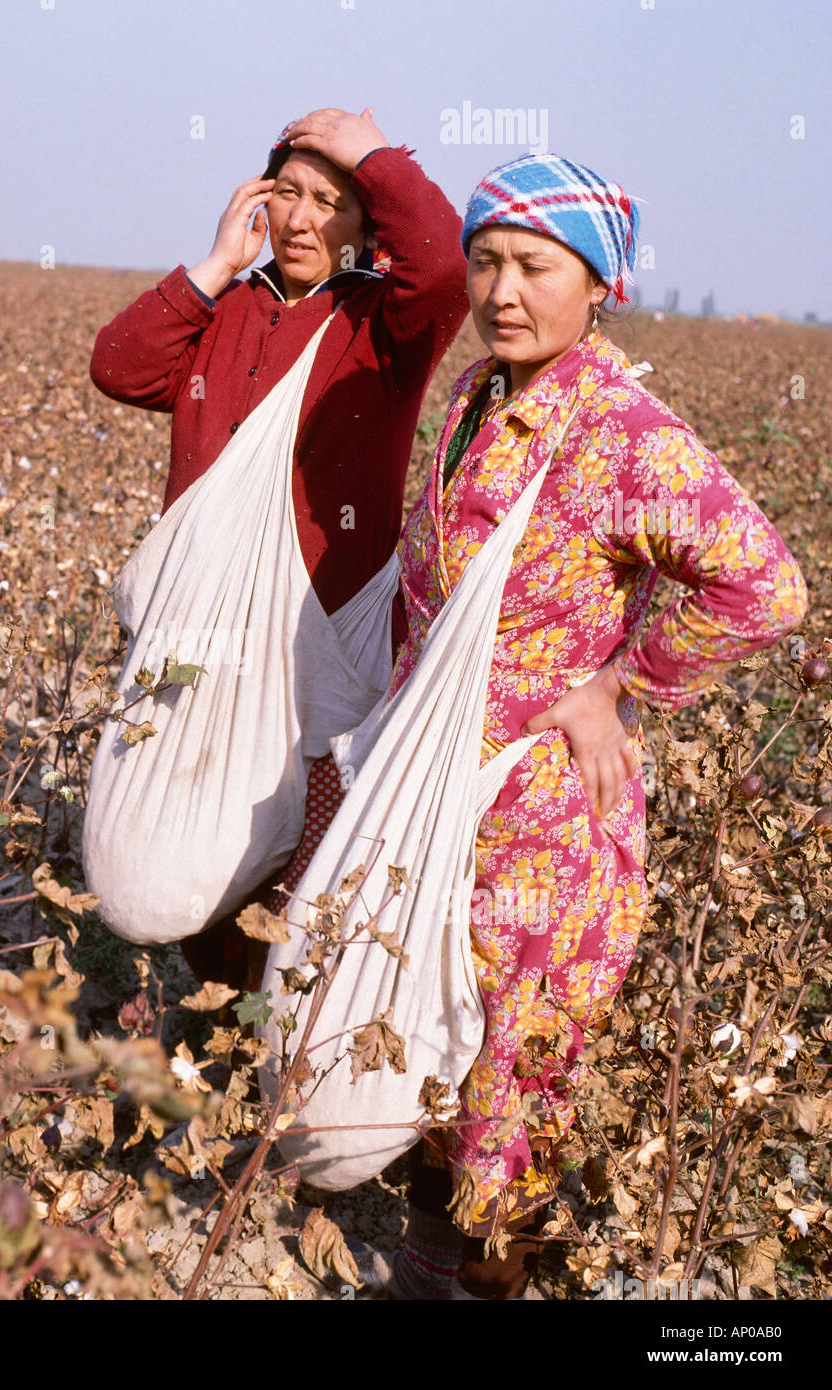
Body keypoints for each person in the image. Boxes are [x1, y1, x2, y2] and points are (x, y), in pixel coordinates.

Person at [266, 152, 810, 1298]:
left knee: (513, 1074)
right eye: (486, 262)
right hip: (436, 797)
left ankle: (493, 1279)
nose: (502, 291)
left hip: (544, 825)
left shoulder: (622, 432)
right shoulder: (477, 397)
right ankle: (429, 1258)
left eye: (535, 267)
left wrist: (622, 685)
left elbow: (768, 590)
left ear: (598, 283)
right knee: (430, 1037)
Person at [88, 108, 468, 987]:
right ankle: (214, 1004)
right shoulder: (228, 311)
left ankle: (274, 1029)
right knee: (186, 798)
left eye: (330, 201)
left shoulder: (381, 329)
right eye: (286, 194)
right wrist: (216, 265)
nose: (300, 220)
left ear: (367, 225)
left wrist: (373, 158)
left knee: (300, 837)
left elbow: (444, 264)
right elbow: (120, 366)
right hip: (197, 619)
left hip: (316, 631)